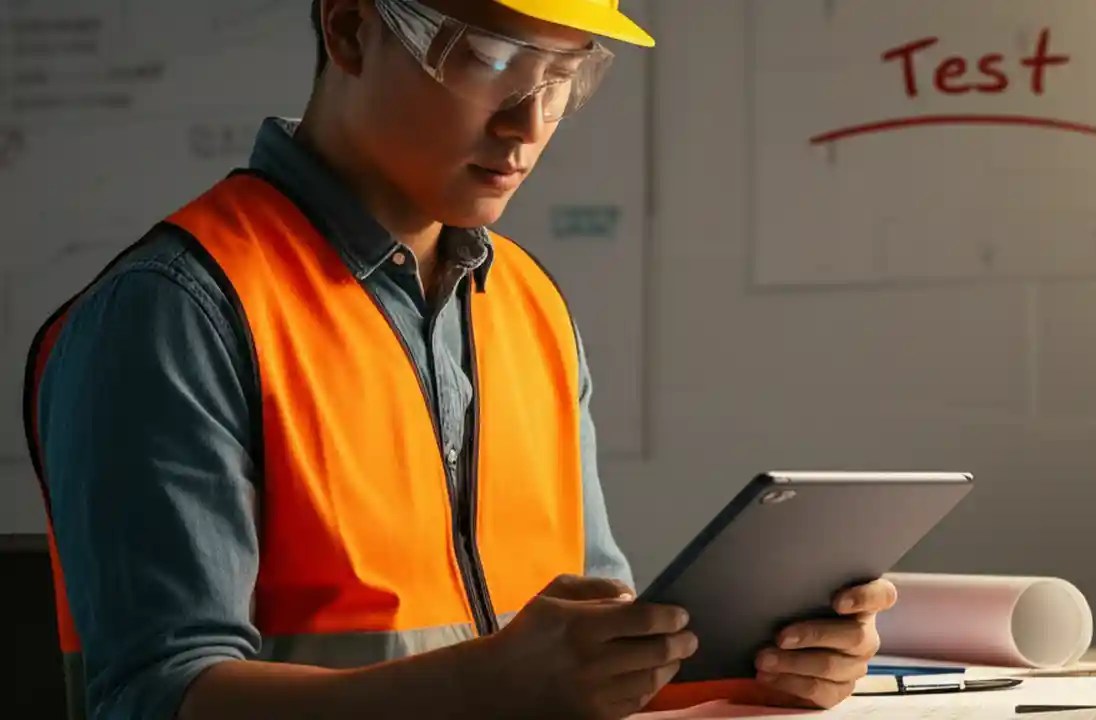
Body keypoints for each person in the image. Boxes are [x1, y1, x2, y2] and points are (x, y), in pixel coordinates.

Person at [23, 1, 897, 718]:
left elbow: (588, 649)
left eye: (561, 78)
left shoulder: (528, 303)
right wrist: (483, 688)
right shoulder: (176, 309)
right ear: (350, 27)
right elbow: (152, 698)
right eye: (486, 61)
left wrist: (761, 667)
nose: (528, 126)